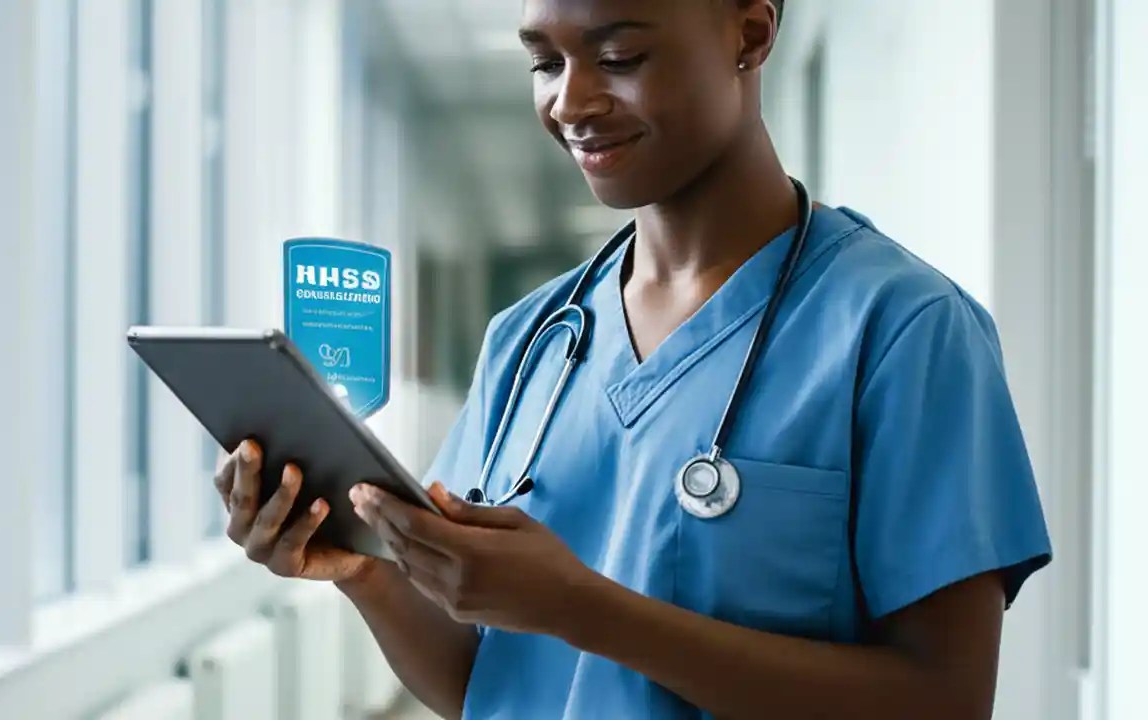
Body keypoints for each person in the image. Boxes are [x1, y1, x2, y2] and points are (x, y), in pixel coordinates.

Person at [213, 1, 1052, 718]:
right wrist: (365, 571)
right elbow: (485, 684)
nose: (571, 101)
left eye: (620, 57)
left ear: (750, 35)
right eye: (544, 61)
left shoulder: (903, 331)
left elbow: (943, 701)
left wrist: (584, 610)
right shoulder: (526, 343)